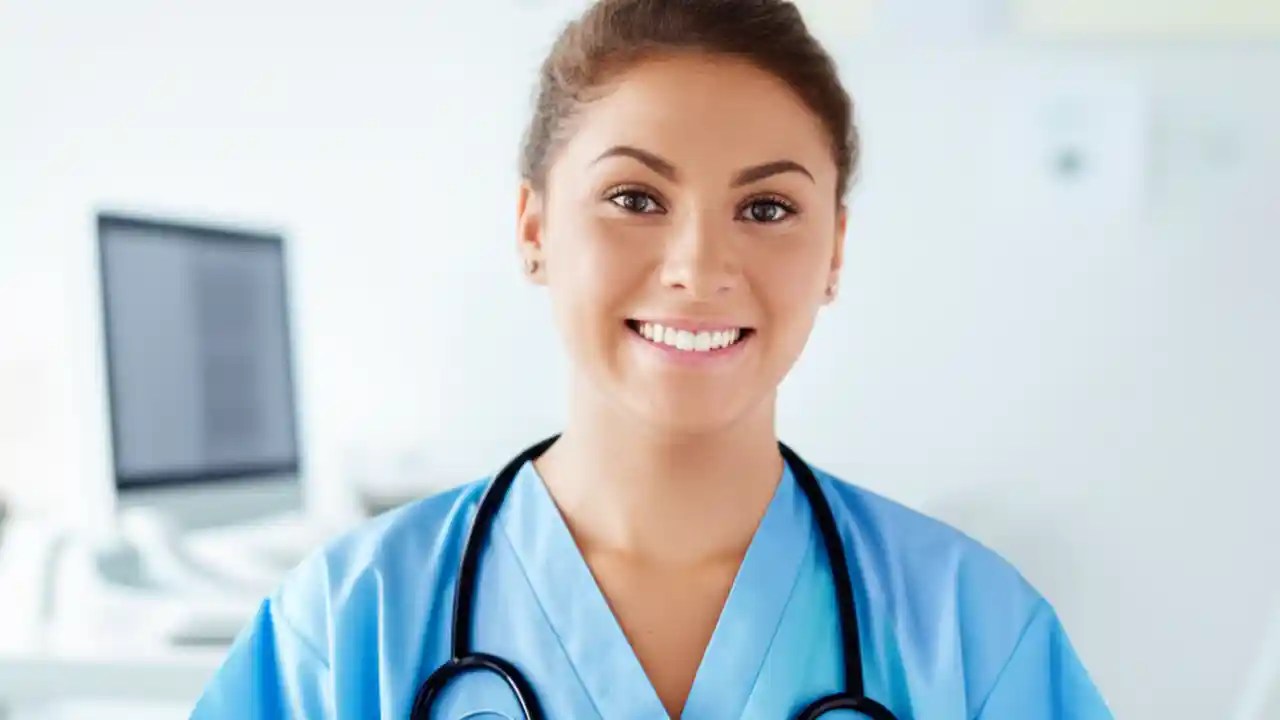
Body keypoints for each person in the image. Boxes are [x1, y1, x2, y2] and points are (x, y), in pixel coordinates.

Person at [193, 1, 1113, 718]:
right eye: (635, 198)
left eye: (766, 209)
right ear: (534, 228)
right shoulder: (354, 626)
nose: (699, 270)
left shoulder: (971, 633)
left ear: (834, 251)